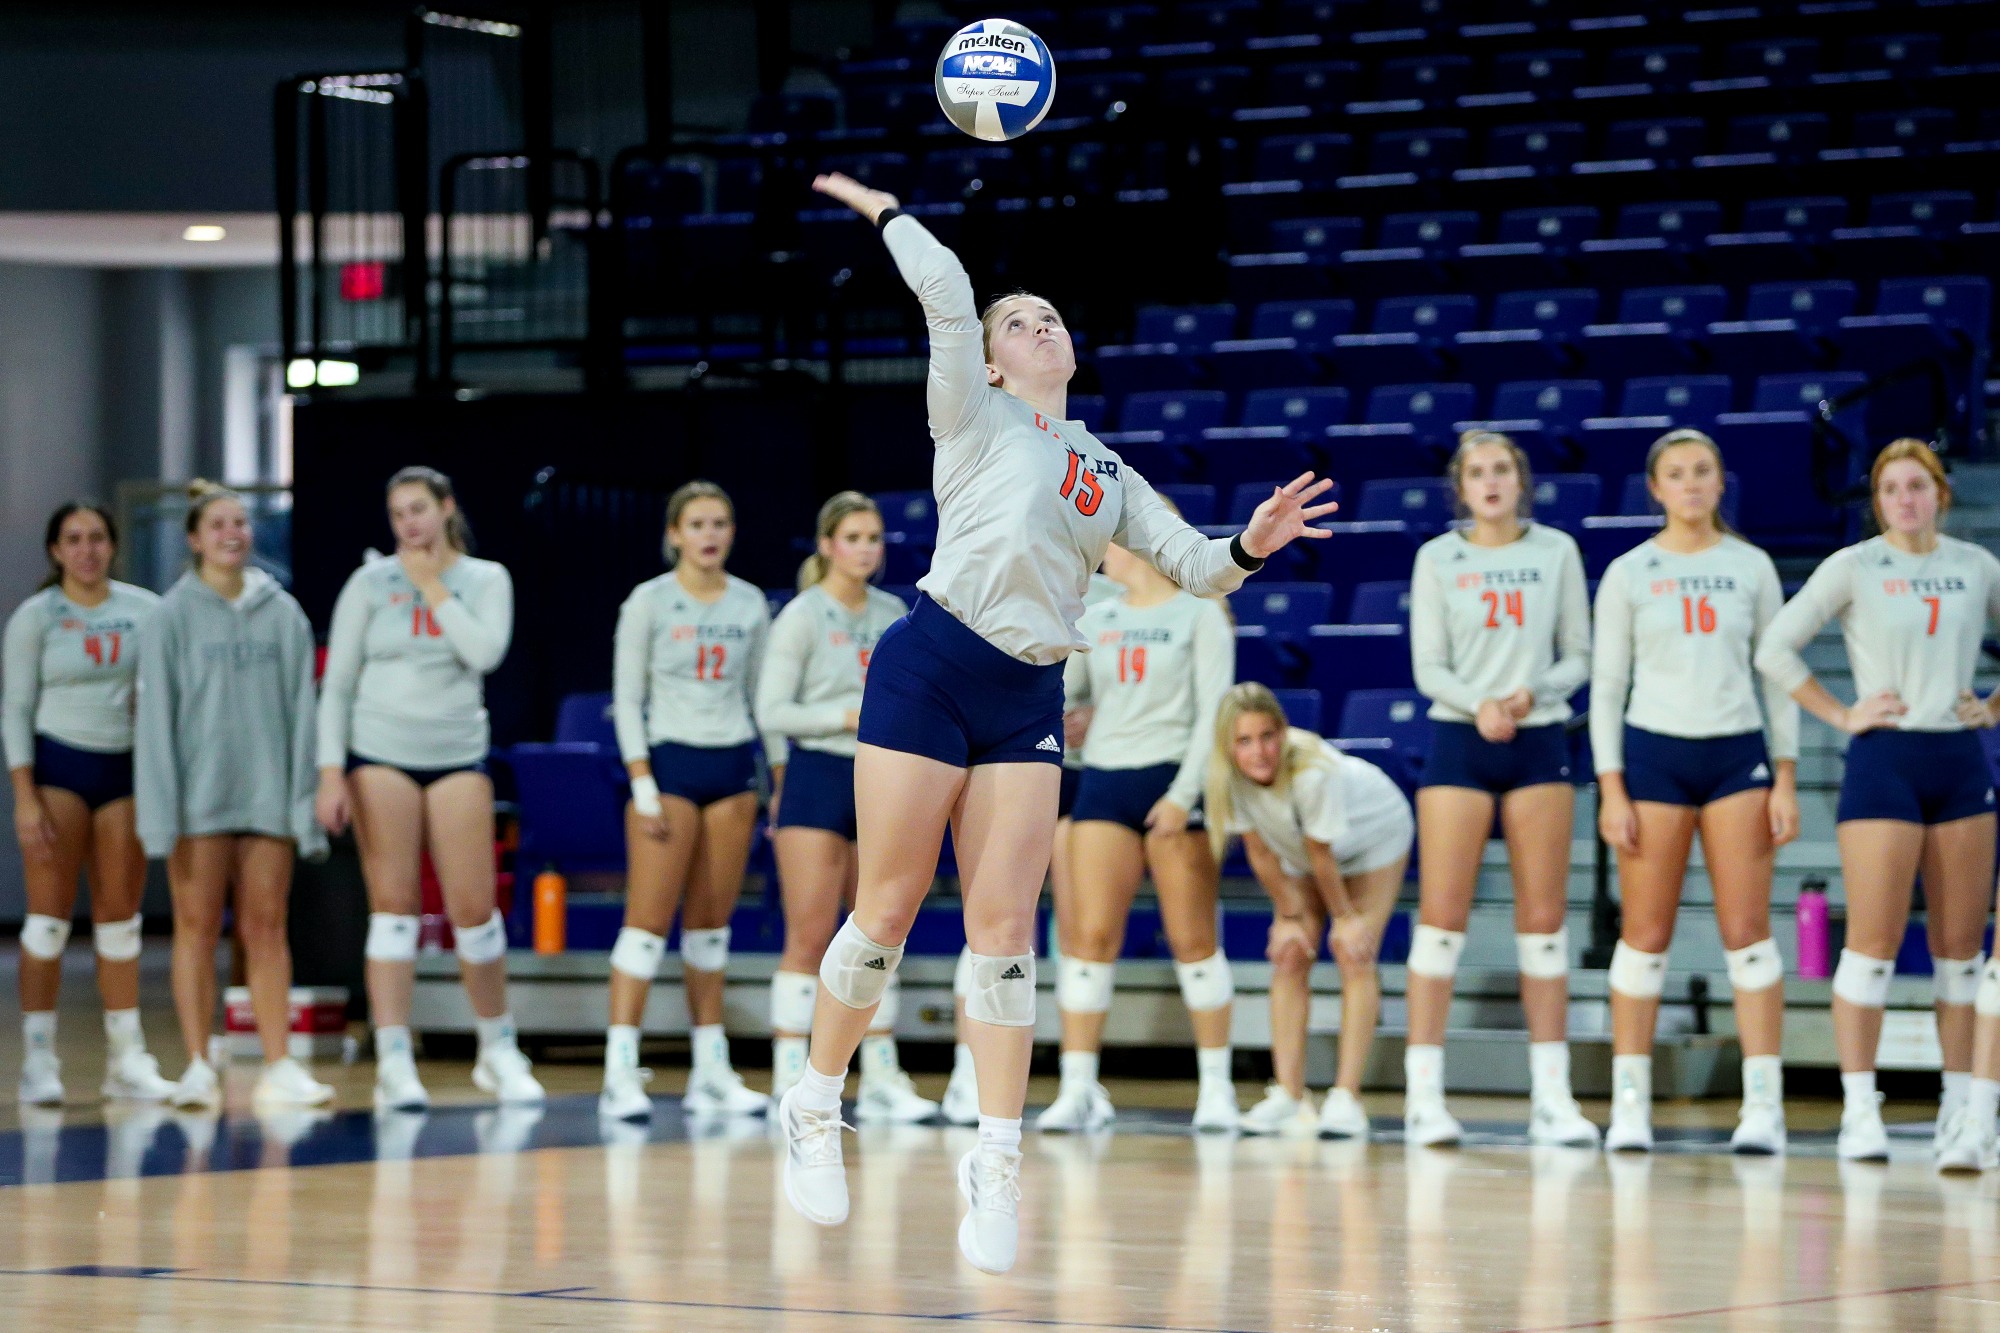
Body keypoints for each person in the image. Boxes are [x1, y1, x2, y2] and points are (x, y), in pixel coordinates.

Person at [778, 172, 1331, 1274]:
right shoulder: (970, 412)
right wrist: (886, 211)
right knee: (885, 908)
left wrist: (1252, 540)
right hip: (930, 665)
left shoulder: (1104, 467)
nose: (1040, 326)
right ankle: (811, 1096)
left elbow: (1187, 567)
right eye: (1018, 322)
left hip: (1028, 690)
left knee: (1002, 932)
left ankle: (994, 1155)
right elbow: (945, 293)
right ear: (991, 360)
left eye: (1051, 319)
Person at [1756, 439, 2000, 1165]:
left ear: (1941, 493)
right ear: (1877, 500)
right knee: (1873, 944)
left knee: (1961, 951)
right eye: (1891, 488)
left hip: (1958, 760)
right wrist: (1840, 713)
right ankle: (1860, 1110)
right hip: (1883, 762)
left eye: (1917, 486)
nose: (1905, 499)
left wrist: (1991, 706)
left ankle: (1964, 1112)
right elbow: (1775, 647)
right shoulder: (1855, 565)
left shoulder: (1974, 565)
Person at [1591, 430, 1800, 1154]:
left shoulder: (1751, 565)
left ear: (1720, 481)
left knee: (1748, 934)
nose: (1689, 484)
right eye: (1675, 473)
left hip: (1736, 753)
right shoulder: (1629, 571)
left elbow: (1778, 674)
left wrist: (1786, 773)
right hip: (1653, 756)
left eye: (1702, 471)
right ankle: (1629, 1103)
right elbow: (1608, 686)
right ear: (1655, 487)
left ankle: (1764, 1106)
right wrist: (1611, 785)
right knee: (1644, 936)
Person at [315, 466, 542, 1112]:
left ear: (445, 508)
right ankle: (393, 1057)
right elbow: (339, 682)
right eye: (397, 514)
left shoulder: (485, 578)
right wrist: (331, 770)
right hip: (380, 752)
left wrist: (431, 586)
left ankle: (497, 1048)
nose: (409, 523)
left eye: (418, 509)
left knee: (474, 908)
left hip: (456, 754)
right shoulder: (368, 583)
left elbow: (485, 651)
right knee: (394, 904)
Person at [1404, 431, 1597, 1148]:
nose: (1490, 482)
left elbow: (1578, 653)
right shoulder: (1437, 558)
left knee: (1543, 924)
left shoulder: (1556, 552)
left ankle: (1554, 1097)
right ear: (1460, 488)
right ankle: (1424, 1097)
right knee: (1441, 921)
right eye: (1477, 472)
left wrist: (1529, 692)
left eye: (1502, 470)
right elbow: (1429, 665)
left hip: (1538, 735)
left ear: (1522, 482)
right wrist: (1479, 702)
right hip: (1459, 737)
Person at [135, 481, 332, 1111]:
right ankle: (197, 1063)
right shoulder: (169, 616)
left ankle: (280, 1065)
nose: (231, 534)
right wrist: (161, 813)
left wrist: (302, 803)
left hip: (268, 796)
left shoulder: (284, 613)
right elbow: (156, 723)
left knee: (266, 928)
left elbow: (306, 715)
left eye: (241, 524)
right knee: (194, 929)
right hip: (198, 801)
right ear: (194, 538)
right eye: (218, 524)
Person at [1041, 538, 1238, 1133]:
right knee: (1090, 937)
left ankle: (1217, 1089)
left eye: (1118, 543)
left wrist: (1182, 796)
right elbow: (1062, 696)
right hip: (1105, 780)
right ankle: (1078, 1087)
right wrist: (1067, 718)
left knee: (1193, 940)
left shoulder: (1202, 614)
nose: (1104, 551)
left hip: (1173, 777)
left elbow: (1215, 713)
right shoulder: (1096, 618)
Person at [757, 491, 935, 1123]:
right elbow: (771, 710)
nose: (866, 548)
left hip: (882, 775)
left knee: (878, 928)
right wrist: (843, 715)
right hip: (816, 772)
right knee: (808, 931)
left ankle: (881, 1070)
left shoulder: (896, 612)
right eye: (853, 537)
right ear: (827, 545)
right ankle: (788, 1065)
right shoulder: (803, 616)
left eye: (874, 538)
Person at [600, 480, 776, 1122]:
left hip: (731, 771)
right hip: (668, 770)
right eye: (697, 523)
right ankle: (619, 1070)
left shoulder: (752, 603)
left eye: (720, 524)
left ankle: (710, 1070)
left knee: (711, 933)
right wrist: (642, 783)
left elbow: (763, 700)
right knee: (645, 929)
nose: (710, 535)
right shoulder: (647, 602)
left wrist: (776, 776)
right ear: (675, 532)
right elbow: (628, 699)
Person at [4, 501, 173, 1105]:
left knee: (120, 922)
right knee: (48, 922)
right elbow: (15, 708)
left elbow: (164, 687)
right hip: (59, 769)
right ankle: (39, 1058)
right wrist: (24, 794)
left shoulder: (145, 611)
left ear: (112, 545)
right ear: (56, 551)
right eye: (74, 539)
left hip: (123, 771)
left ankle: (126, 1057)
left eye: (97, 537)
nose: (87, 549)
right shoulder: (36, 616)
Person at [942, 568, 1120, 1128]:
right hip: (1005, 758)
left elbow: (1094, 690)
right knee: (991, 918)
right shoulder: (997, 572)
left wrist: (1088, 713)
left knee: (1075, 929)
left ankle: (1077, 1085)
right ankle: (964, 1076)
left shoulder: (1119, 601)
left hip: (1076, 771)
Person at [1209, 685, 1412, 1138]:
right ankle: (1288, 1094)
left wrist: (1343, 918)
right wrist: (1288, 915)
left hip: (1373, 837)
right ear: (1227, 745)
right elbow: (1259, 852)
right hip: (1301, 847)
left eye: (1268, 736)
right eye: (1244, 741)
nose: (1259, 751)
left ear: (1283, 732)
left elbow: (1324, 854)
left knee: (1352, 950)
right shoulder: (1227, 777)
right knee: (1290, 953)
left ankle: (1346, 1098)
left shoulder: (1312, 770)